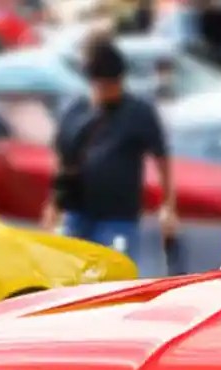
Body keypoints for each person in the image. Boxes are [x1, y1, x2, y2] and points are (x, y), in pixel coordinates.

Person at [43, 35, 177, 276]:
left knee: (114, 277)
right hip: (76, 212)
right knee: (68, 277)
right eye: (102, 86)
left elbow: (161, 158)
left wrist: (168, 205)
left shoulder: (139, 112)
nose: (107, 91)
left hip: (118, 216)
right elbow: (63, 159)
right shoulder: (76, 110)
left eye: (112, 85)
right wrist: (53, 205)